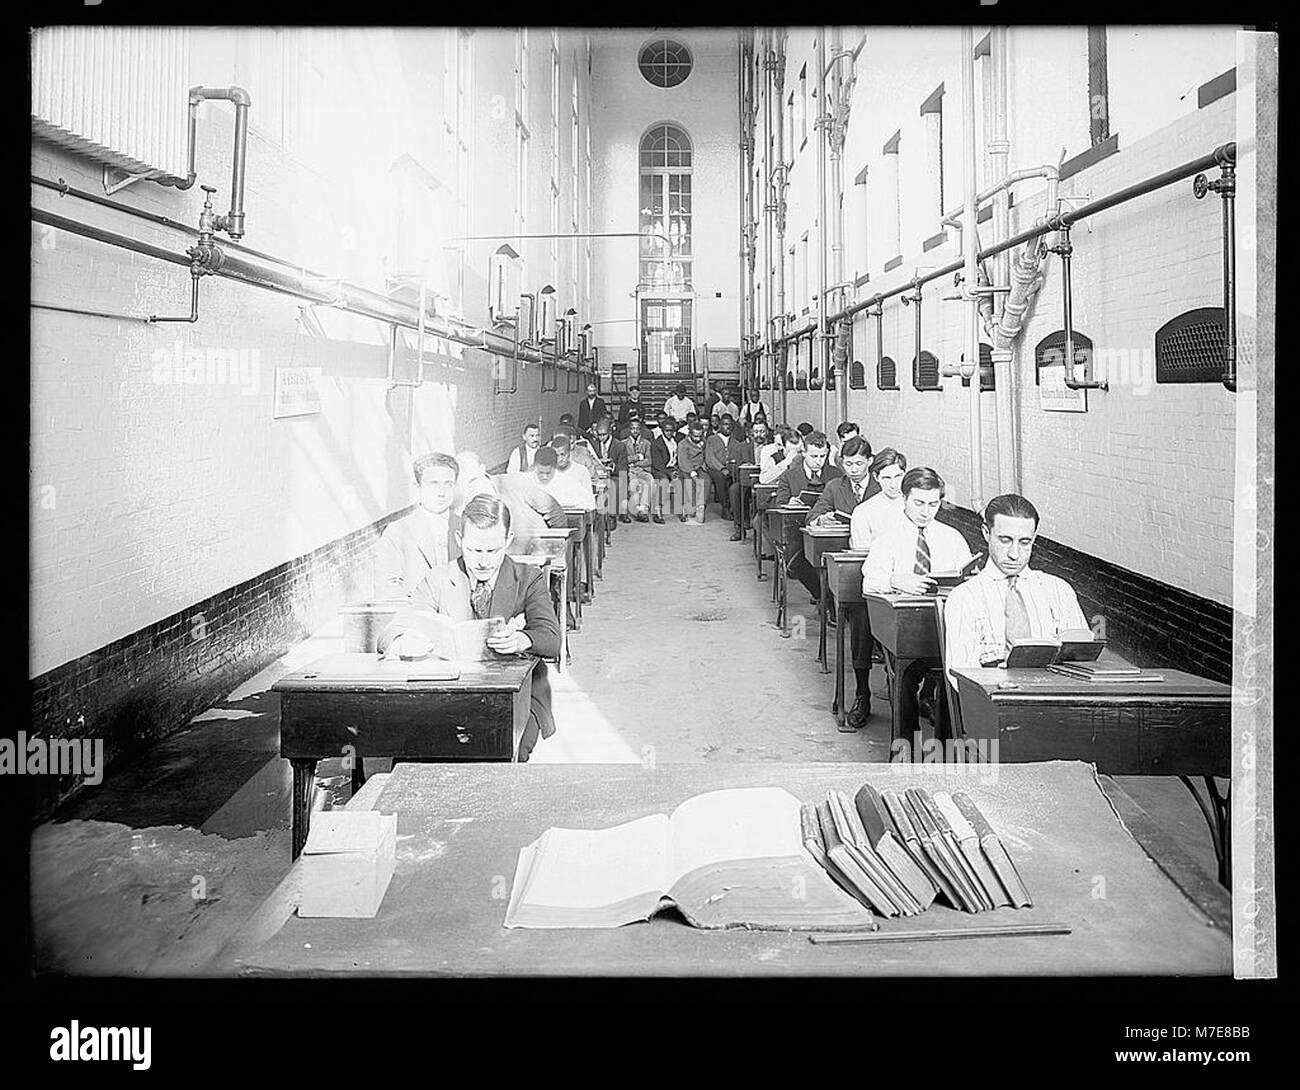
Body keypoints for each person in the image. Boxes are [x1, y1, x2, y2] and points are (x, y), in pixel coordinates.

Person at [377, 496, 561, 762]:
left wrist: (522, 639)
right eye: (475, 550)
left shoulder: (528, 578)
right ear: (459, 539)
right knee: (416, 755)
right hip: (451, 699)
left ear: (508, 540)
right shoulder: (438, 579)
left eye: (493, 551)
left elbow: (552, 639)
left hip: (518, 699)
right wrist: (402, 642)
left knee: (503, 748)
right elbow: (392, 630)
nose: (484, 562)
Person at [861, 467, 976, 741]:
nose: (926, 511)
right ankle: (907, 750)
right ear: (904, 499)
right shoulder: (887, 540)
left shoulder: (952, 537)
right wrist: (895, 580)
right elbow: (868, 582)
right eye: (919, 503)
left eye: (933, 504)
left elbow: (970, 580)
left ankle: (946, 749)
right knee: (906, 678)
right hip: (906, 634)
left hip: (947, 628)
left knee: (957, 675)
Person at [943, 494, 1091, 685]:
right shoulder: (965, 597)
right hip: (994, 700)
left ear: (1034, 537)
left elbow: (1083, 664)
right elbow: (960, 674)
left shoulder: (1058, 590)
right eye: (1005, 540)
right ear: (986, 533)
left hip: (1053, 697)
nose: (1014, 554)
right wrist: (997, 683)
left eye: (1024, 542)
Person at [375, 452, 463, 598]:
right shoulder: (398, 531)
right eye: (433, 484)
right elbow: (387, 586)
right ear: (418, 487)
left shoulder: (465, 526)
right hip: (416, 613)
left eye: (448, 484)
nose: (441, 492)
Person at [807, 435, 877, 527]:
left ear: (869, 461)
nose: (854, 469)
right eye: (848, 464)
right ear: (842, 462)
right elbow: (811, 517)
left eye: (859, 464)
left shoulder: (881, 485)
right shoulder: (834, 486)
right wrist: (821, 520)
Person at [849, 448, 909, 550]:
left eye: (898, 476)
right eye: (887, 478)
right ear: (876, 477)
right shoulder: (863, 512)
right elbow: (862, 554)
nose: (893, 485)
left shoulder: (914, 505)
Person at [537, 433, 596, 511]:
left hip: (576, 514)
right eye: (556, 455)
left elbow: (589, 501)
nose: (560, 458)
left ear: (569, 453)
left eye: (563, 454)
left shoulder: (581, 471)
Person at [588, 415, 630, 526]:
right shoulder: (593, 444)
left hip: (614, 475)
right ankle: (597, 515)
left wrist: (612, 466)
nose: (601, 438)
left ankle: (611, 516)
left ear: (609, 433)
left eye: (604, 435)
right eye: (599, 435)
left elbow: (624, 468)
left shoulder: (619, 446)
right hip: (598, 475)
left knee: (613, 485)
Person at [704, 414, 740, 521]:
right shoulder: (712, 439)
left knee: (735, 478)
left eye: (729, 424)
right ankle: (725, 508)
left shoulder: (735, 441)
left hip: (730, 468)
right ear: (720, 425)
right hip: (715, 468)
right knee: (720, 477)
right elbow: (710, 458)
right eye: (725, 424)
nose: (727, 427)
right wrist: (721, 468)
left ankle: (735, 508)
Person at [649, 410, 679, 523]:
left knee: (683, 478)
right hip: (659, 469)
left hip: (672, 468)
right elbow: (658, 464)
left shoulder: (674, 441)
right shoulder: (657, 443)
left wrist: (676, 470)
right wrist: (669, 473)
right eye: (666, 431)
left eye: (671, 431)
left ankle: (682, 509)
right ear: (662, 430)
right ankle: (658, 511)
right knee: (664, 481)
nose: (669, 433)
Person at [676, 419, 708, 523]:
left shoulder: (703, 441)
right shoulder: (683, 444)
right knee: (689, 481)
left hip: (700, 467)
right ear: (689, 434)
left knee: (706, 480)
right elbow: (683, 460)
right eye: (695, 436)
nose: (698, 438)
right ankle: (690, 507)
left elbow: (704, 454)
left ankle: (701, 506)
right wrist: (692, 472)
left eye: (700, 436)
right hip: (686, 468)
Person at [622, 418, 654, 522]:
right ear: (629, 430)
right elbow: (623, 460)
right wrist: (637, 457)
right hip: (630, 471)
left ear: (640, 430)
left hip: (642, 470)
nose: (635, 431)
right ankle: (636, 510)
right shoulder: (623, 443)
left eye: (637, 429)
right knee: (633, 484)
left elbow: (649, 461)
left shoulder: (646, 443)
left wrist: (634, 463)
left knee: (649, 480)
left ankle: (643, 509)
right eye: (632, 428)